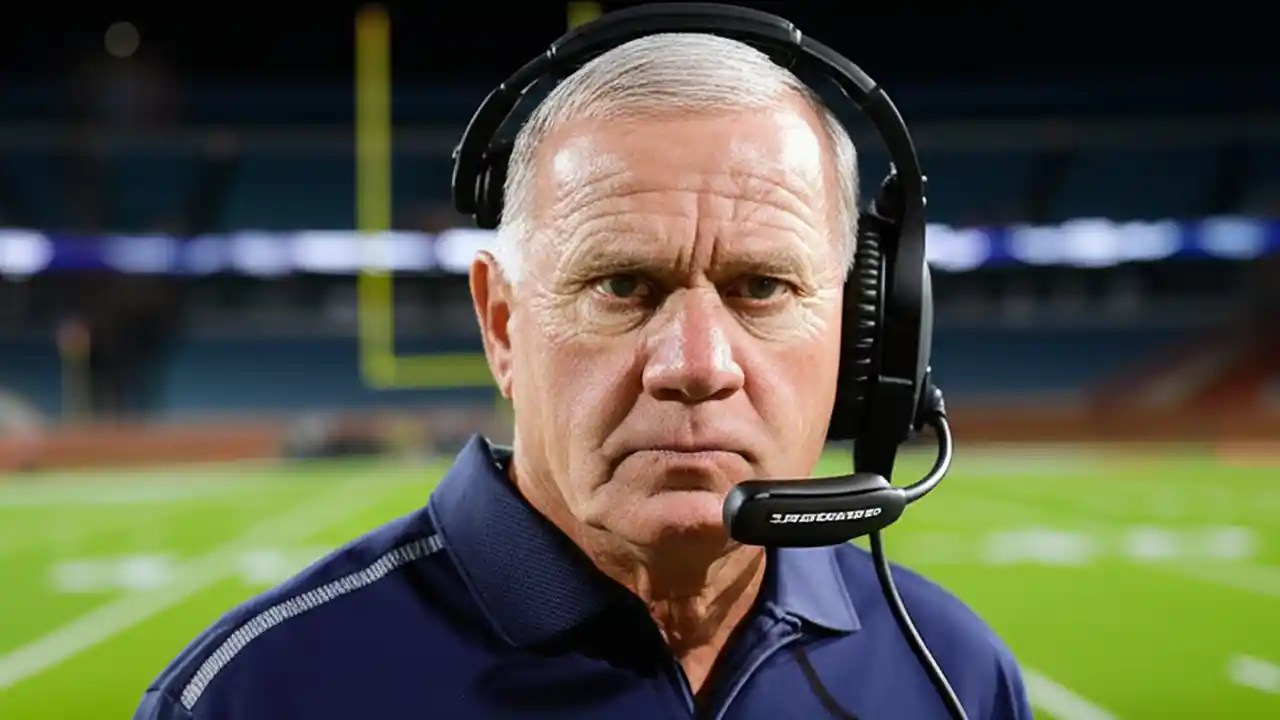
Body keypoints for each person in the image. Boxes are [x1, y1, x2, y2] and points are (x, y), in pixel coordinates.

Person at [134, 32, 1033, 720]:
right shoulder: (256, 695)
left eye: (763, 287)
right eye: (621, 285)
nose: (696, 366)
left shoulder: (954, 674)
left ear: (864, 331)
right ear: (502, 323)